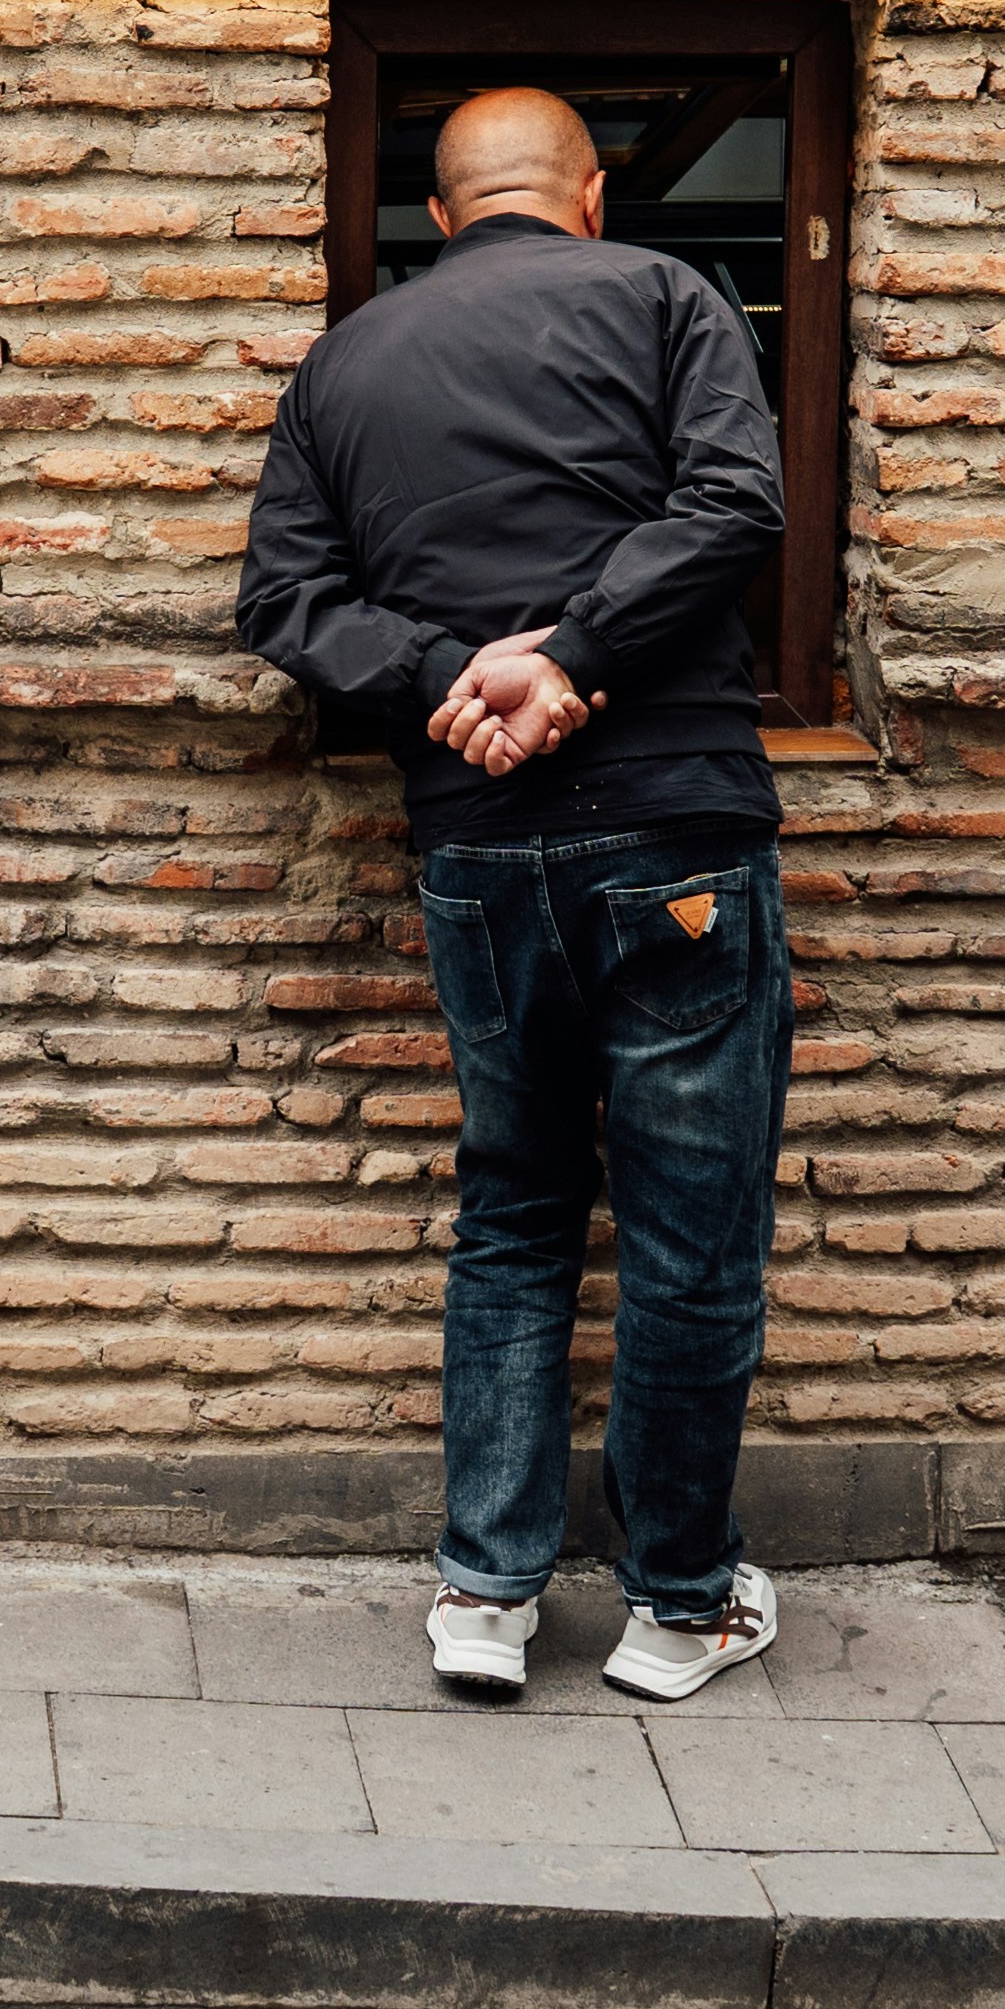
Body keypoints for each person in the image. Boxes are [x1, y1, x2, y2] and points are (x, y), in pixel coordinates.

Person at [235, 82, 796, 1703]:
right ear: (592, 194)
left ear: (439, 215)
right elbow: (732, 507)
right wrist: (570, 657)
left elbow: (281, 601)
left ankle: (483, 1597)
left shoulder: (345, 359)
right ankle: (678, 1608)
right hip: (673, 826)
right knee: (691, 1246)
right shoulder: (668, 298)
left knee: (515, 1216)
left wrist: (448, 677)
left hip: (475, 845)